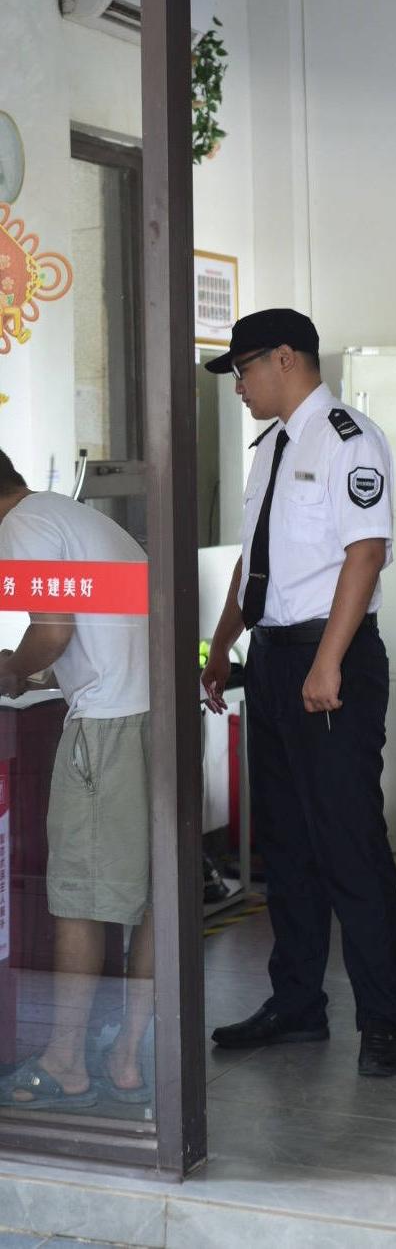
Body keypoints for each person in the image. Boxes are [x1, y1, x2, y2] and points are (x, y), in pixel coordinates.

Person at [200, 308, 396, 1078]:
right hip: (274, 659)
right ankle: (296, 1005)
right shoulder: (271, 450)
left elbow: (366, 553)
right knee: (285, 846)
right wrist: (221, 646)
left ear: (284, 358)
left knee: (348, 845)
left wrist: (328, 662)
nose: (239, 387)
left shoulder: (349, 438)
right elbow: (253, 562)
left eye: (243, 370)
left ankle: (383, 1024)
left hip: (333, 661)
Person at [0, 450, 154, 1110]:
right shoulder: (78, 520)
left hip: (107, 727)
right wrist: (34, 667)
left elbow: (53, 630)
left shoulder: (23, 525)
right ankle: (127, 1058)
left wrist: (10, 667)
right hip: (155, 717)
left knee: (80, 898)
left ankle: (64, 1062)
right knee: (152, 899)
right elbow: (98, 628)